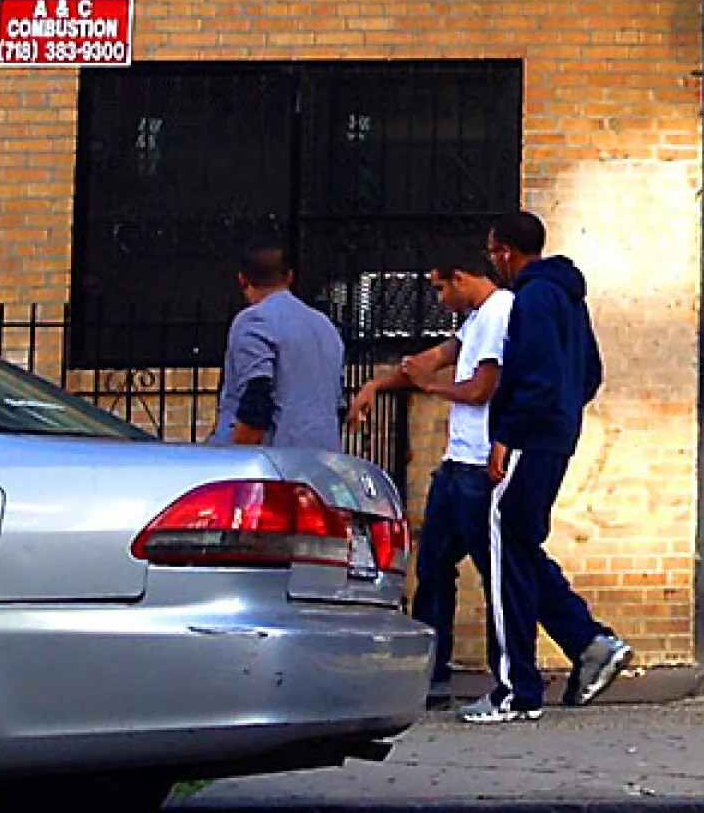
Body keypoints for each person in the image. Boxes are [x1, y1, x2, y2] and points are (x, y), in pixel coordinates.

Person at [466, 211, 633, 724]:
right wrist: (562, 416)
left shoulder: (532, 298)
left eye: (492, 251)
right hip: (555, 436)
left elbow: (535, 377)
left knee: (500, 551)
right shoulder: (567, 296)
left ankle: (516, 689)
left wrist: (508, 437)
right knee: (519, 549)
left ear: (506, 252)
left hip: (529, 438)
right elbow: (590, 374)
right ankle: (587, 642)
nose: (492, 260)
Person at [346, 248, 511, 709]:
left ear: (461, 277)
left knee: (495, 571)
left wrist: (430, 387)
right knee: (433, 565)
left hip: (480, 466)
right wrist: (376, 386)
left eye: (441, 287)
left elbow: (482, 389)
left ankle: (511, 672)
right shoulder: (474, 320)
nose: (439, 297)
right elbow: (427, 361)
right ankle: (431, 672)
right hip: (455, 465)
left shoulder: (500, 314)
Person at [212, 243, 343, 451]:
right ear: (289, 278)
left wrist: (230, 457)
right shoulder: (325, 326)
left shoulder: (254, 321)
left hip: (275, 461)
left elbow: (256, 402)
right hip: (323, 459)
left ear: (242, 279)